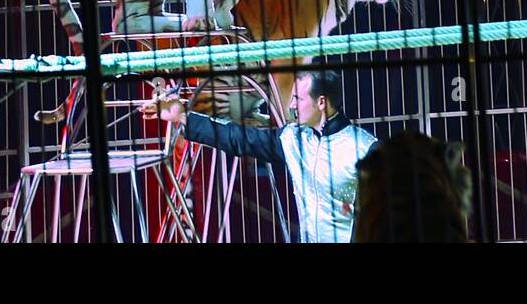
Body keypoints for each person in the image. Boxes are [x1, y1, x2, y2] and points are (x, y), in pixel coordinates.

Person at [157, 69, 378, 243]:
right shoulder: (294, 139)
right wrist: (183, 116)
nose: (291, 106)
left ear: (321, 102)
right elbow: (238, 138)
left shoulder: (365, 148)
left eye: (298, 99)